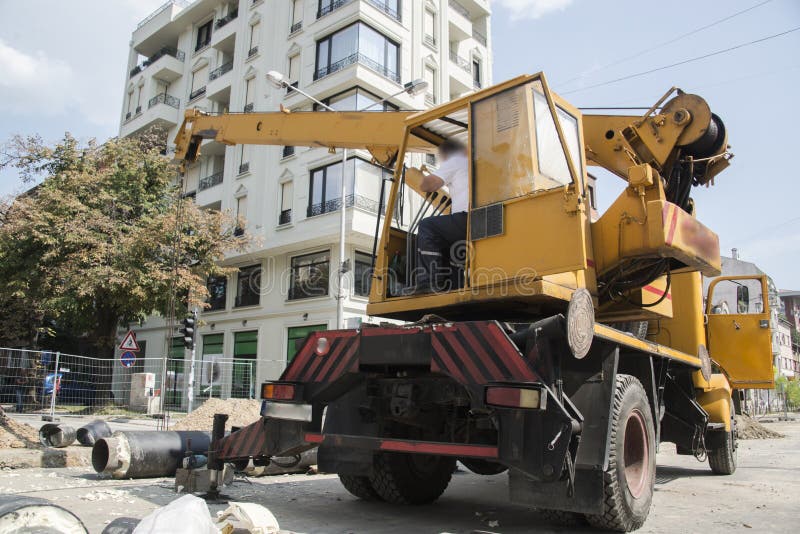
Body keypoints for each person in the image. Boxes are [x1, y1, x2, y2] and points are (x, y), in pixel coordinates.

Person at [413, 138, 469, 293]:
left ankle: (430, 280)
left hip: (468, 218)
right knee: (449, 243)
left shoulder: (456, 160)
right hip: (480, 219)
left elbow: (427, 185)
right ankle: (455, 285)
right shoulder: (474, 162)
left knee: (427, 226)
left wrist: (422, 177)